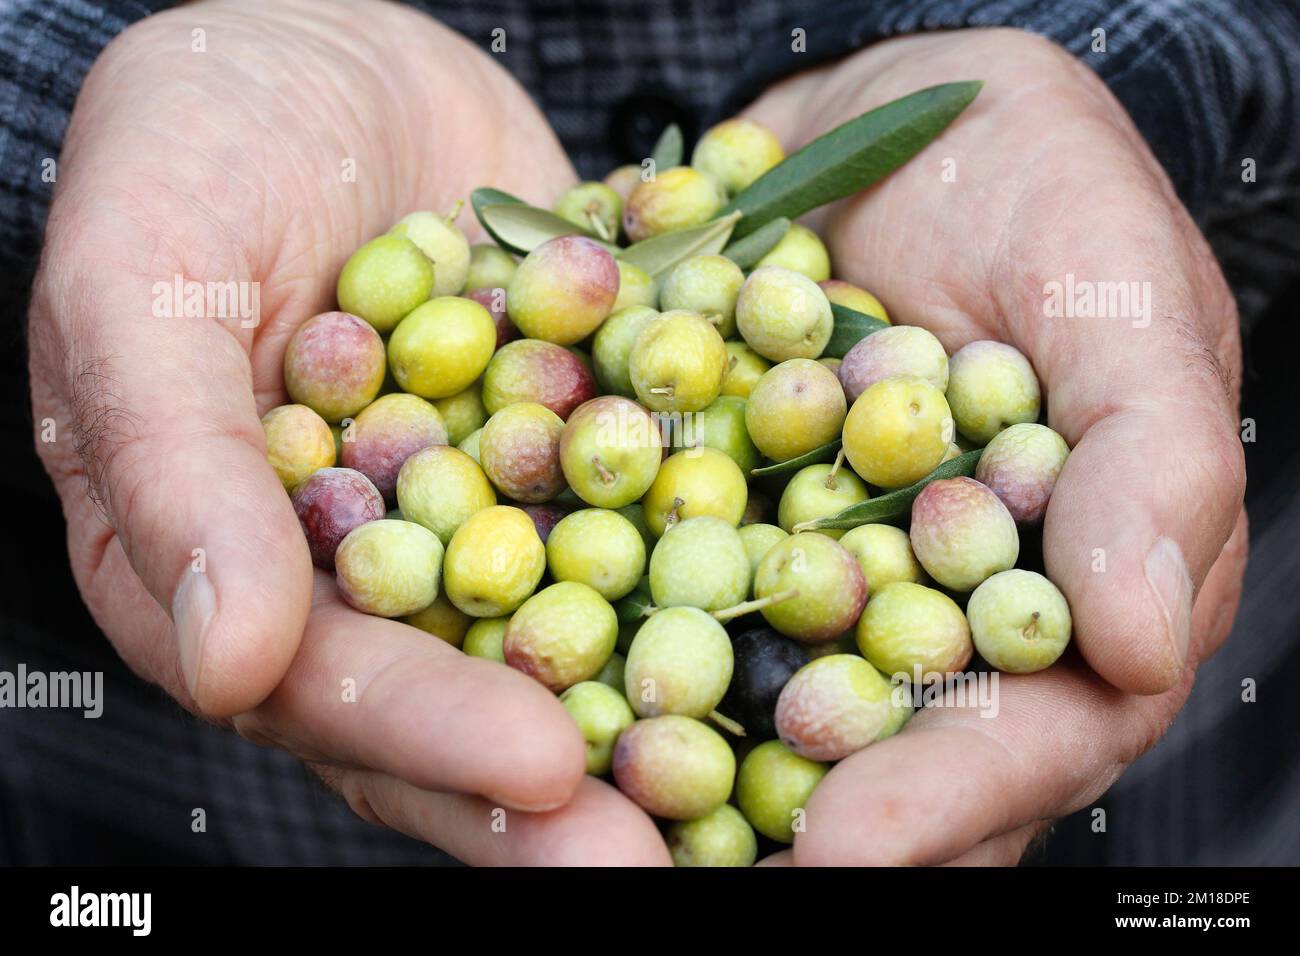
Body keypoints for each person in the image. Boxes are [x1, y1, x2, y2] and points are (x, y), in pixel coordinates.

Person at [1, 0, 1297, 866]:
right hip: (161, 796)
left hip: (1177, 801)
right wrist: (71, 93)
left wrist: (1114, 65)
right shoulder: (506, 405)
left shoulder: (810, 403)